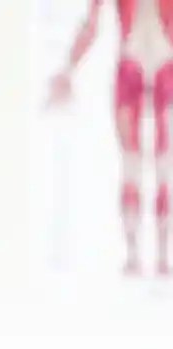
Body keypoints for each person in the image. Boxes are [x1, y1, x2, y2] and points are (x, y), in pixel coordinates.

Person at [49, 0, 173, 276]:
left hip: (158, 67)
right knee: (139, 164)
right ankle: (139, 256)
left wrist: (68, 68)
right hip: (141, 67)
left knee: (159, 165)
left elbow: (91, 25)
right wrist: (68, 68)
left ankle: (153, 256)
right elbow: (91, 25)